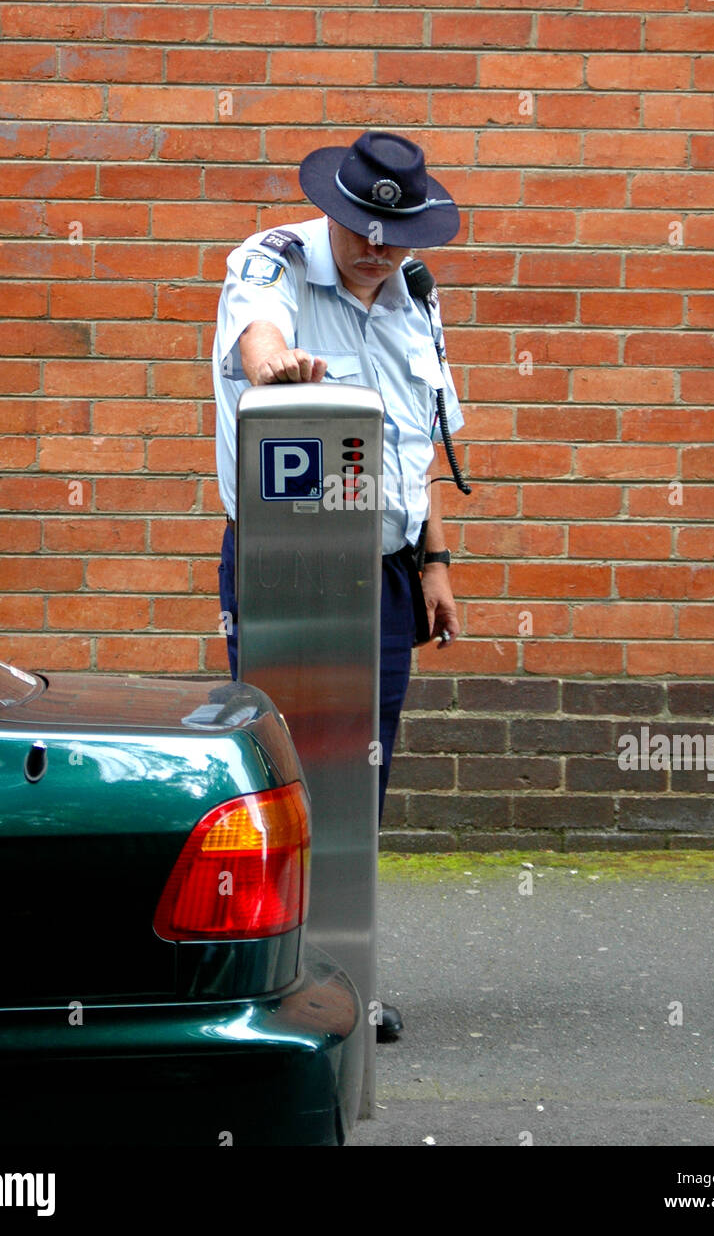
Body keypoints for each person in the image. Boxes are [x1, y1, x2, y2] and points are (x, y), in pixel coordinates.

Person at [211, 130, 465, 1039]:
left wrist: (433, 562)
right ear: (335, 208)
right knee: (284, 770)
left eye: (398, 232)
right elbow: (256, 330)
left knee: (362, 774)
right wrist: (276, 370)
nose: (378, 246)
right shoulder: (274, 260)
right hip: (292, 566)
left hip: (390, 574)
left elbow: (418, 444)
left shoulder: (417, 300)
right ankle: (281, 980)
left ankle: (343, 974)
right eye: (363, 226)